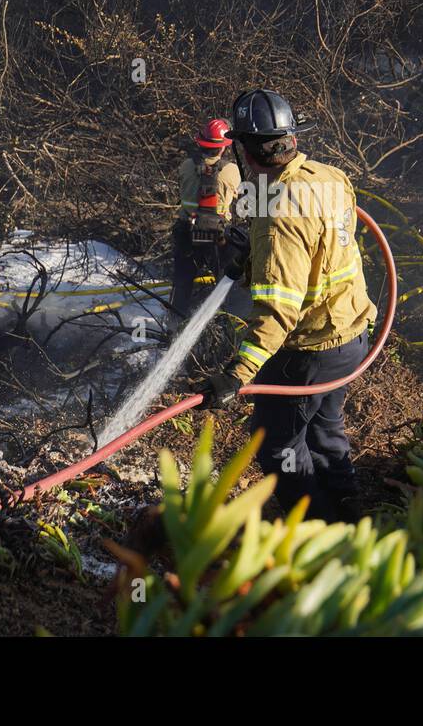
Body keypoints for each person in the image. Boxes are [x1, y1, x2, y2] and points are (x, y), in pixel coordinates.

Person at [194, 89, 376, 524]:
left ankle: (316, 528)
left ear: (244, 150)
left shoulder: (278, 217)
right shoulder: (329, 176)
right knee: (325, 428)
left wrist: (235, 376)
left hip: (309, 349)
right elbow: (324, 245)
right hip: (351, 336)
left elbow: (278, 314)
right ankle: (350, 511)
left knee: (276, 443)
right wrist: (253, 257)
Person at [171, 117, 242, 318]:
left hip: (187, 231)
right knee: (227, 281)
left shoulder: (185, 165)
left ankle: (173, 323)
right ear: (224, 147)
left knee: (182, 283)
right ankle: (227, 321)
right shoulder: (231, 170)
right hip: (218, 235)